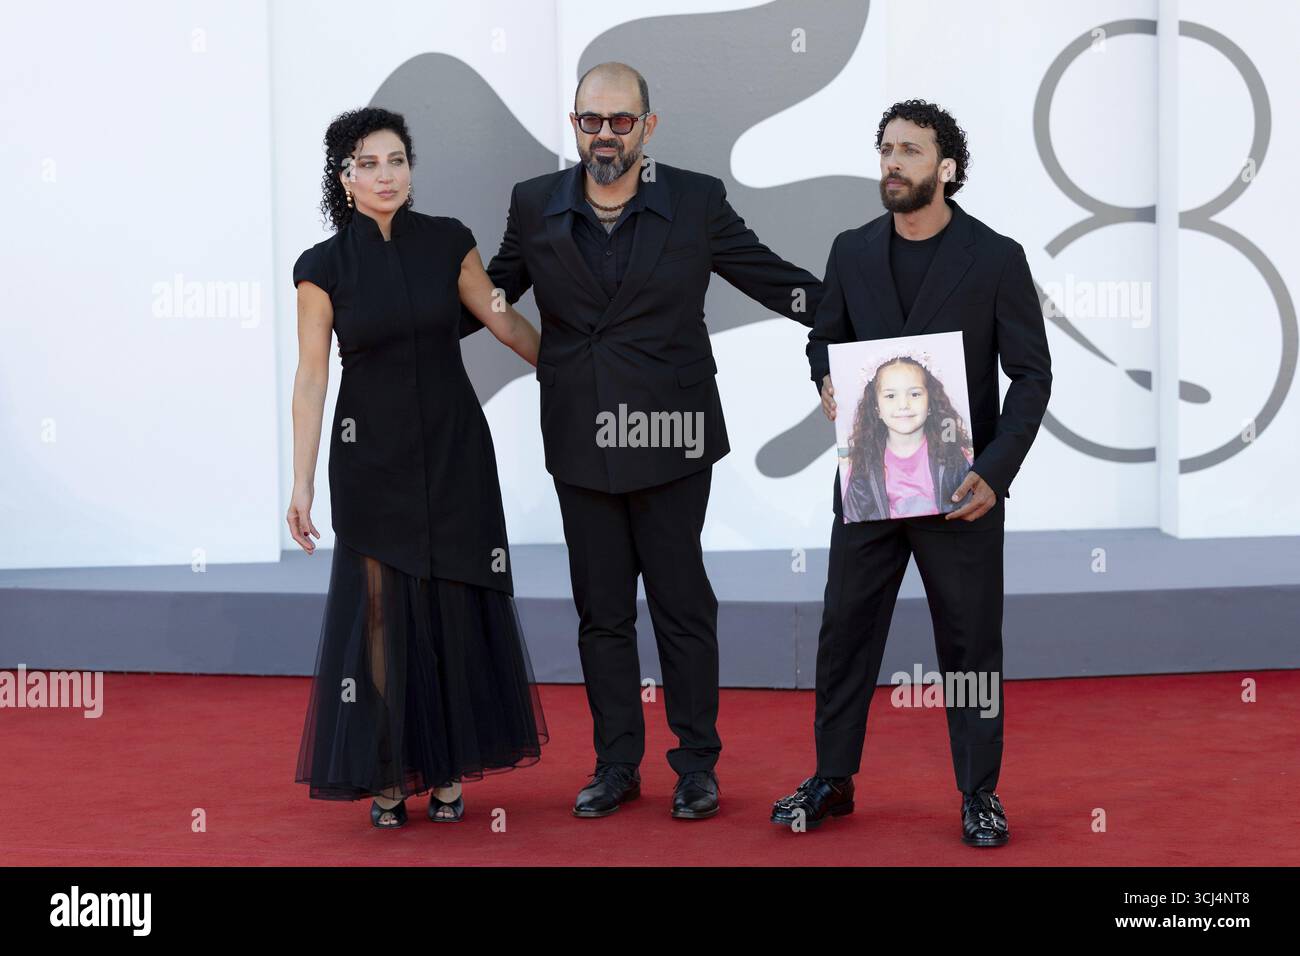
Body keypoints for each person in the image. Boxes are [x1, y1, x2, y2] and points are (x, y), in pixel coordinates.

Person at [474, 62, 823, 820]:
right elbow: (493, 292)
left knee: (680, 604)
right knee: (600, 612)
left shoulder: (694, 200)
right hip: (580, 436)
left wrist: (866, 321)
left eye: (620, 121)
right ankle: (615, 764)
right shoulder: (536, 204)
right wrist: (408, 293)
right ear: (574, 124)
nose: (604, 134)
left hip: (673, 435)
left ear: (649, 126)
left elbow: (773, 280)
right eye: (589, 120)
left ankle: (697, 765)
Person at [772, 99, 1052, 845]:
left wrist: (995, 471)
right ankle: (833, 777)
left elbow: (1031, 376)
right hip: (868, 483)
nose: (893, 163)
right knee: (844, 632)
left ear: (947, 169)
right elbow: (825, 339)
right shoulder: (852, 250)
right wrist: (824, 377)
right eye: (886, 149)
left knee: (969, 644)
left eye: (911, 151)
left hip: (962, 490)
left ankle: (979, 793)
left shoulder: (996, 258)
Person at [288, 107, 548, 829]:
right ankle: (386, 768)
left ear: (411, 167)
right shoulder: (321, 268)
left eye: (395, 160)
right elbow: (311, 382)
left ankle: (446, 772)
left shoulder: (448, 242)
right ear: (342, 179)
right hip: (368, 456)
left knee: (454, 602)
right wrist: (302, 481)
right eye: (366, 164)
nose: (384, 175)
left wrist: (579, 370)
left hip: (454, 448)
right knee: (379, 614)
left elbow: (503, 319)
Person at [841, 354, 974, 522]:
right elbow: (854, 516)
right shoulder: (864, 463)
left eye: (915, 394)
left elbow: (968, 504)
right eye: (891, 396)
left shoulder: (953, 455)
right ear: (877, 409)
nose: (903, 404)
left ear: (930, 403)